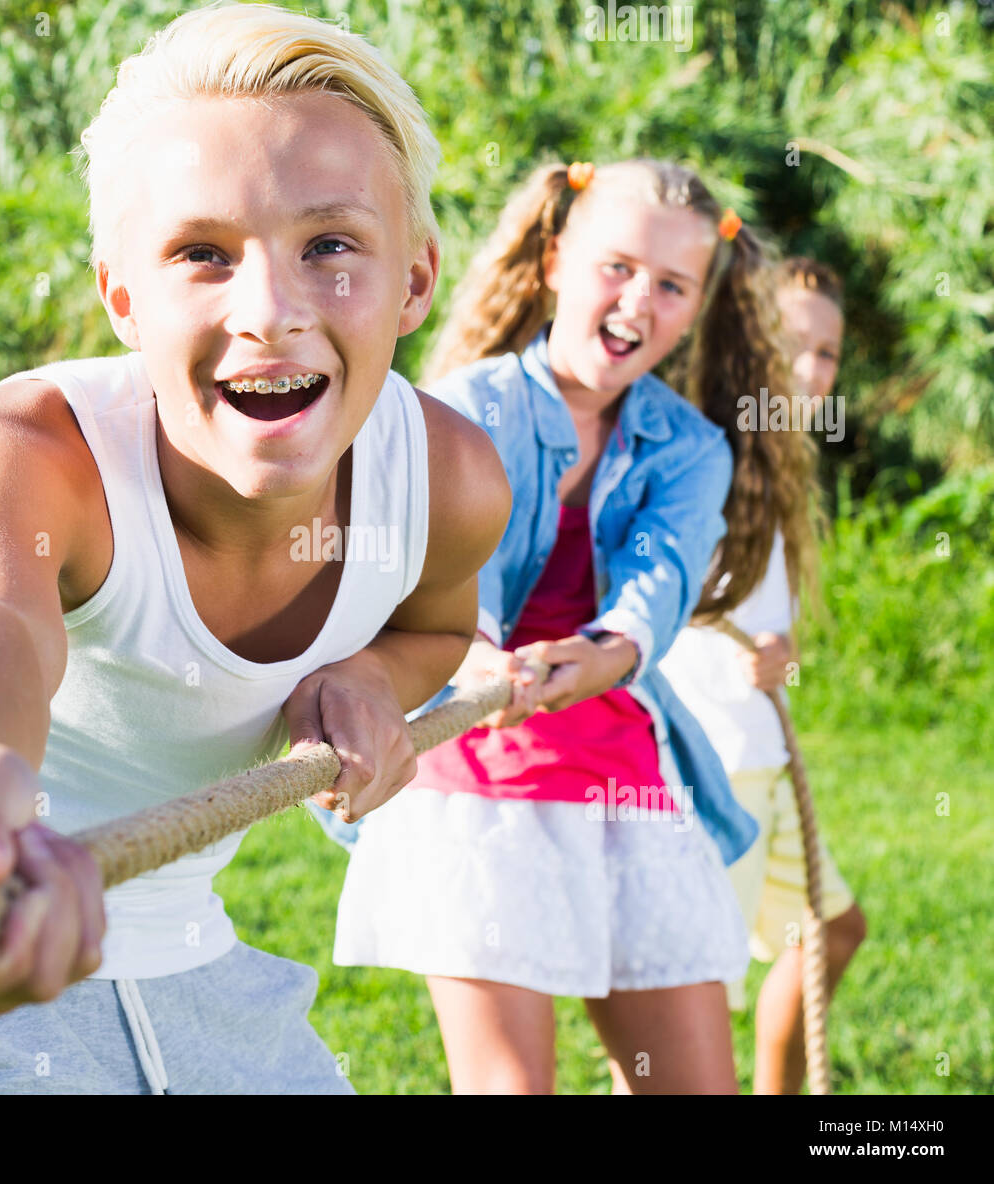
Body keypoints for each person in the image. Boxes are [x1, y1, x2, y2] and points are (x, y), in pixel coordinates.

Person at [0, 2, 511, 1095]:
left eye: (329, 244)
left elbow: (434, 625)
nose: (269, 310)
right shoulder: (23, 456)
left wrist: (369, 672)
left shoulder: (450, 482)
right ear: (121, 297)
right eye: (201, 254)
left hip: (174, 918)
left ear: (415, 276)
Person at [325, 159, 801, 1095]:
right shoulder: (467, 407)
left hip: (621, 775)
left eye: (672, 285)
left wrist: (609, 651)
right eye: (616, 267)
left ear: (696, 306)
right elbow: (449, 581)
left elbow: (657, 586)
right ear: (555, 262)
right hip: (478, 783)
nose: (639, 301)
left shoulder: (692, 447)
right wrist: (480, 659)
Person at [658, 255, 866, 1095]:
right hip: (717, 763)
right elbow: (660, 594)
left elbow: (760, 615)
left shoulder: (777, 464)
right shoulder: (710, 455)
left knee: (832, 934)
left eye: (829, 354)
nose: (813, 369)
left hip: (762, 760)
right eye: (794, 344)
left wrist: (777, 654)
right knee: (682, 1003)